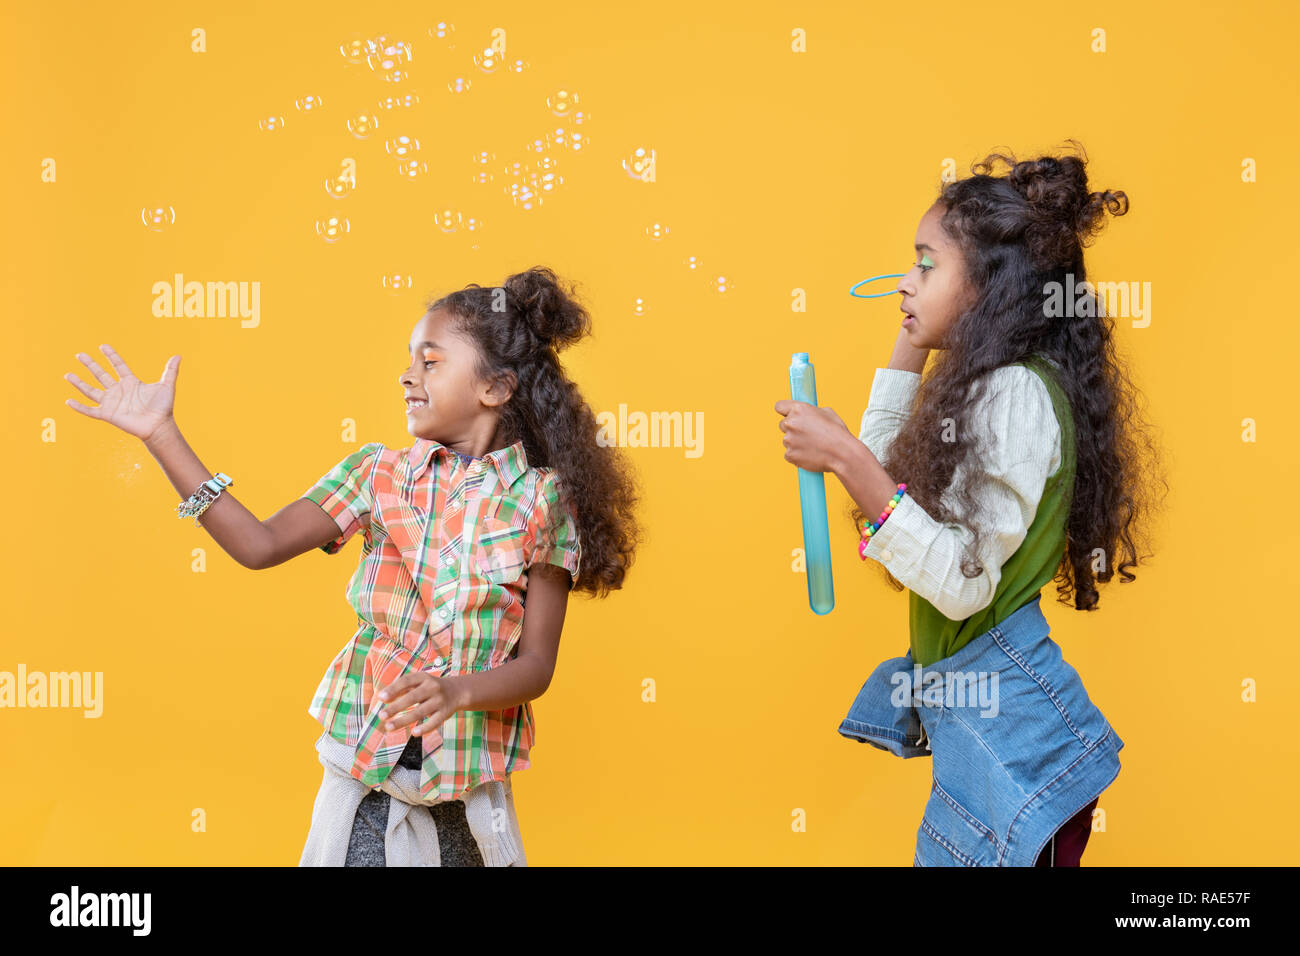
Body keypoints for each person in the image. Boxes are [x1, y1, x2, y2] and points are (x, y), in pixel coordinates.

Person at [64, 265, 641, 866]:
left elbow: (538, 667)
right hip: (365, 775)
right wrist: (162, 435)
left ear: (494, 388)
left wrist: (456, 690)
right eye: (409, 360)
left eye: (431, 361)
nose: (407, 375)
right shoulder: (375, 474)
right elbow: (258, 545)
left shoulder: (543, 501)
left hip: (466, 791)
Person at [775, 141, 1167, 866]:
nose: (905, 281)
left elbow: (960, 582)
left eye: (925, 262)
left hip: (1021, 749)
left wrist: (845, 460)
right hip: (992, 732)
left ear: (991, 288)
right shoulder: (987, 388)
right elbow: (894, 492)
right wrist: (912, 338)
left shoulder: (1015, 393)